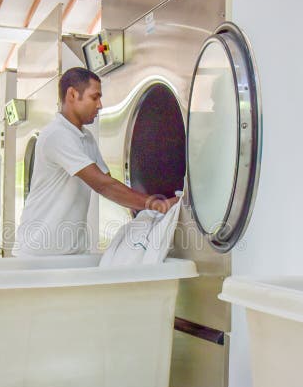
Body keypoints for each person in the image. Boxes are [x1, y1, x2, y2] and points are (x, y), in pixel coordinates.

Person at [14, 67, 179, 256]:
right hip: (40, 252)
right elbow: (103, 185)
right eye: (95, 97)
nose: (100, 105)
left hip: (70, 251)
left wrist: (152, 207)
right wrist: (155, 204)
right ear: (72, 94)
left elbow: (108, 183)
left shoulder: (85, 138)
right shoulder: (57, 134)